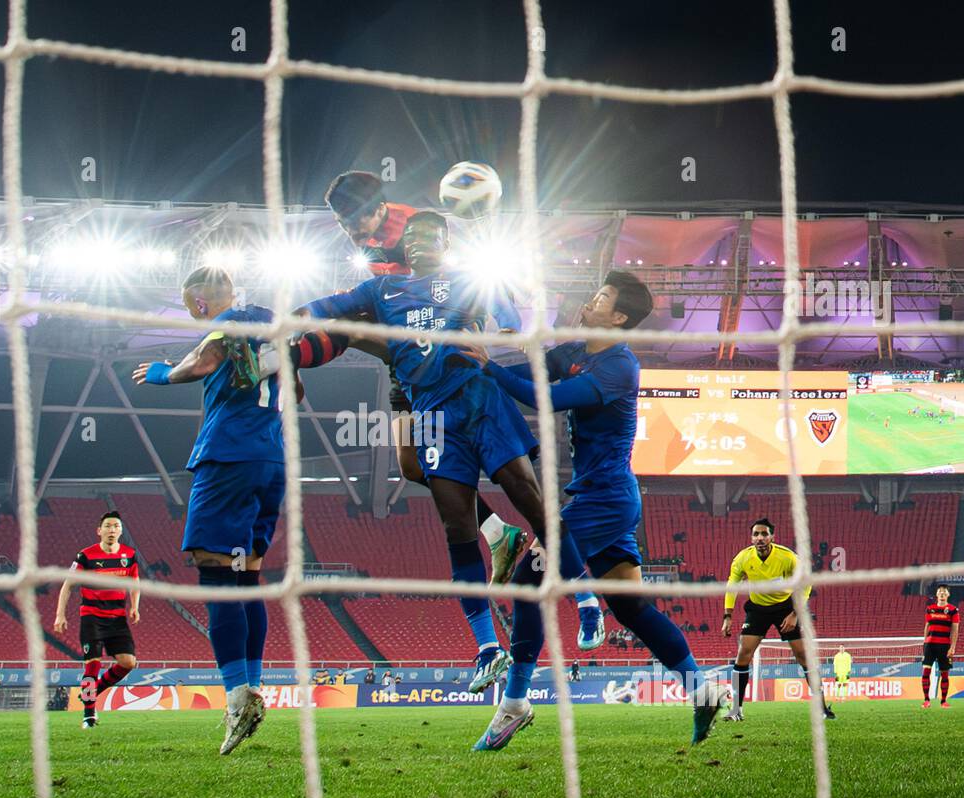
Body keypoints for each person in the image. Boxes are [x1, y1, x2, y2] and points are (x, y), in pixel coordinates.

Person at [283, 212, 596, 751]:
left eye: (431, 236)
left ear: (448, 243)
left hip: (480, 400)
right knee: (454, 524)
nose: (420, 243)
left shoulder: (467, 281)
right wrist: (286, 324)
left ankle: (586, 592)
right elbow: (328, 311)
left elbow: (505, 310)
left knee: (530, 497)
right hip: (430, 413)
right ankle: (485, 647)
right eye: (413, 238)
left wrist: (505, 327)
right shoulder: (382, 287)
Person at [469, 273, 724, 744]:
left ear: (620, 317)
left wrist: (489, 370)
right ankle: (701, 689)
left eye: (603, 298)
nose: (592, 300)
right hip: (603, 496)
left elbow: (546, 399)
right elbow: (533, 374)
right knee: (631, 608)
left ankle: (515, 703)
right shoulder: (576, 351)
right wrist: (501, 356)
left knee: (527, 582)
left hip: (604, 498)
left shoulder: (619, 367)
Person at [322, 171, 537, 588]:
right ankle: (499, 534)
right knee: (410, 465)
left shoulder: (413, 227)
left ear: (378, 210)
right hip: (407, 362)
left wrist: (507, 320)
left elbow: (478, 277)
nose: (347, 230)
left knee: (456, 467)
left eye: (351, 221)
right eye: (340, 222)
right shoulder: (375, 249)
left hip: (443, 362)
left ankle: (535, 546)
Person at [132, 266, 285, 756]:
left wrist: (161, 373)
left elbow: (200, 362)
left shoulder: (226, 326)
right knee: (247, 575)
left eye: (187, 305)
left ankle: (237, 697)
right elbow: (296, 394)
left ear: (199, 302)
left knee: (215, 572)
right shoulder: (276, 330)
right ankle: (253, 689)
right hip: (271, 459)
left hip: (227, 459)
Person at [722, 518, 835, 722]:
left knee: (803, 656)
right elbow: (732, 584)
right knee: (743, 655)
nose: (760, 538)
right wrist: (727, 615)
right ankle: (736, 710)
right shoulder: (743, 558)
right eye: (756, 534)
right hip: (757, 609)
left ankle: (822, 708)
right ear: (751, 538)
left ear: (772, 537)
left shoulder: (787, 557)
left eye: (764, 534)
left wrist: (794, 614)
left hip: (786, 607)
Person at [53, 510, 140, 730]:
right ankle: (88, 716)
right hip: (92, 617)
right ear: (99, 531)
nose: (112, 530)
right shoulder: (86, 556)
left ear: (121, 531)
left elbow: (135, 583)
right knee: (93, 664)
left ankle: (91, 692)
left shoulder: (129, 555)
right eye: (108, 526)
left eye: (116, 526)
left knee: (128, 662)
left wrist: (135, 606)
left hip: (117, 618)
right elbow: (68, 585)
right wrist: (60, 614)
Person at [922, 585, 959, 710]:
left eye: (944, 592)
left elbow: (955, 630)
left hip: (944, 646)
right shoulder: (930, 609)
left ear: (948, 595)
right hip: (930, 645)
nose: (942, 593)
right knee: (925, 672)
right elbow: (927, 626)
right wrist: (924, 642)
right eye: (940, 592)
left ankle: (943, 701)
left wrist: (952, 647)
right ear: (937, 595)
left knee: (944, 674)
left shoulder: (953, 610)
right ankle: (926, 700)